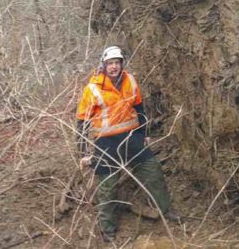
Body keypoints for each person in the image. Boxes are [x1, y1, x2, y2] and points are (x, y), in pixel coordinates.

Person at [76, 45, 178, 241]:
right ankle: (107, 230)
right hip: (106, 144)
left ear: (121, 63)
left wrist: (143, 133)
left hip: (133, 138)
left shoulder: (130, 80)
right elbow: (81, 123)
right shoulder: (93, 89)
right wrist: (82, 154)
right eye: (109, 63)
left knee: (153, 171)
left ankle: (166, 211)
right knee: (107, 188)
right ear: (103, 65)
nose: (113, 67)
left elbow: (140, 109)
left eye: (116, 62)